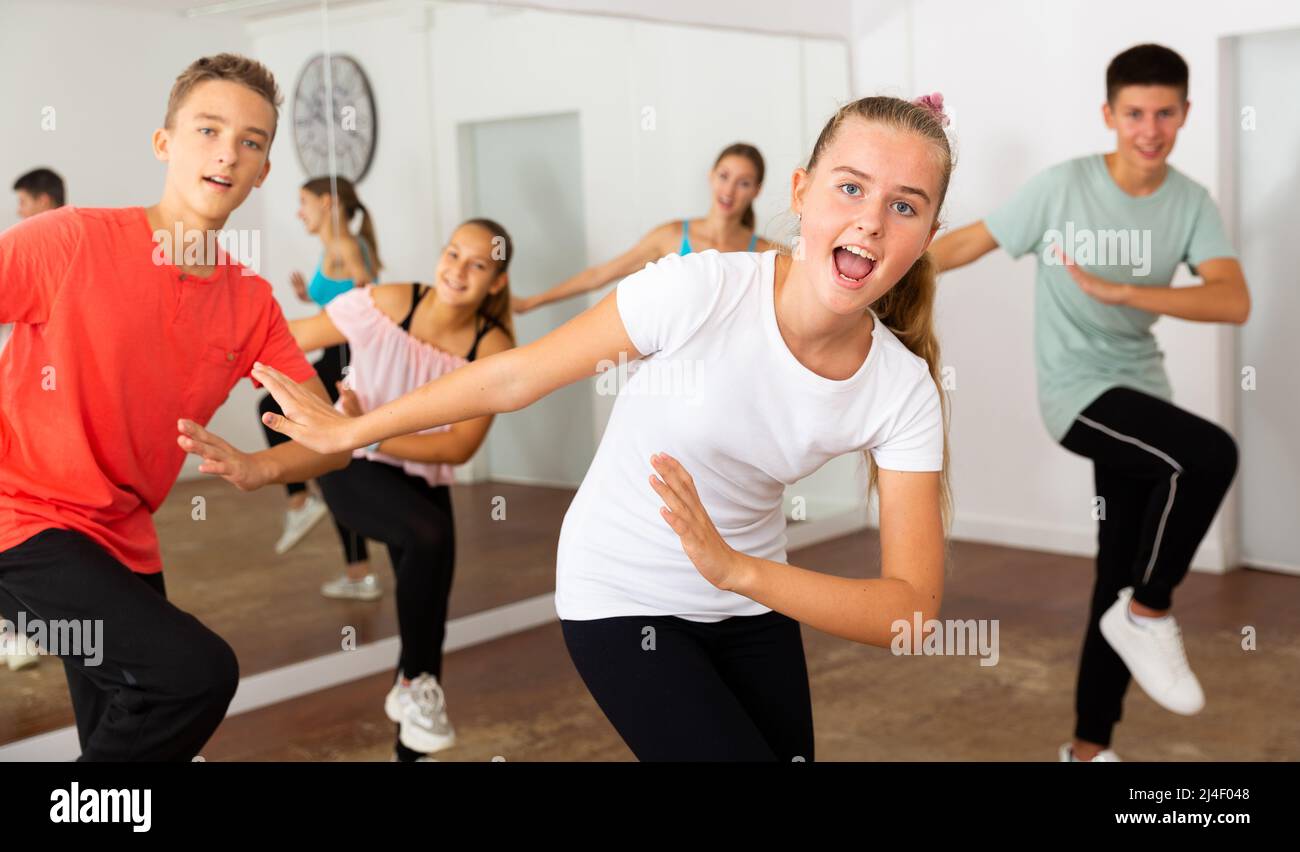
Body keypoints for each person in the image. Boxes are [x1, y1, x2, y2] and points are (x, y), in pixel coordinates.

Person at [252, 94, 954, 762]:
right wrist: (355, 432)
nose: (870, 223)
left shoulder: (900, 388)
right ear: (801, 192)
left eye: (904, 206)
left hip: (747, 596)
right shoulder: (702, 289)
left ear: (929, 235)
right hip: (622, 593)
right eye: (851, 188)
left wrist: (737, 570)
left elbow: (910, 610)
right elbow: (516, 375)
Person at [0, 53, 349, 761]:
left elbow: (334, 441)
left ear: (263, 173)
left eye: (251, 142)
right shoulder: (69, 241)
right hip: (24, 527)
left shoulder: (250, 304)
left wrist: (259, 466)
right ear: (166, 143)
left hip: (122, 538)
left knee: (127, 727)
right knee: (193, 676)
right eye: (208, 129)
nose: (228, 152)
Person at [929, 44, 1248, 762]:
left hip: (1142, 395)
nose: (1150, 127)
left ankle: (1085, 747)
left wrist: (1125, 291)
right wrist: (878, 272)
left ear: (1185, 114)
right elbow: (969, 244)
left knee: (1114, 576)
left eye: (1165, 112)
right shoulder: (1061, 188)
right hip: (1078, 395)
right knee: (1209, 455)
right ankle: (1151, 610)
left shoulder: (1191, 201)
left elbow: (1233, 299)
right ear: (1109, 114)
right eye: (1135, 112)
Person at [287, 219, 514, 760]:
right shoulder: (389, 302)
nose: (458, 270)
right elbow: (294, 339)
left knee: (428, 616)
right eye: (454, 253)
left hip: (415, 474)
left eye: (478, 264)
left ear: (496, 283)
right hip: (351, 463)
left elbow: (458, 449)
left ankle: (409, 735)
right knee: (431, 538)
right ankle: (413, 688)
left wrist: (376, 429)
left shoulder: (493, 345)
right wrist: (324, 416)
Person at [258, 176, 383, 602]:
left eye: (304, 203)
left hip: (340, 364)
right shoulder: (337, 249)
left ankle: (299, 503)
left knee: (269, 403)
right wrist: (309, 296)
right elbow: (342, 303)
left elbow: (368, 302)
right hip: (333, 359)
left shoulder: (346, 247)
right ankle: (359, 571)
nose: (299, 212)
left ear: (327, 203)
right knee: (335, 473)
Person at [513, 143, 777, 314]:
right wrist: (531, 302)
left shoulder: (766, 253)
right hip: (673, 367)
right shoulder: (671, 236)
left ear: (757, 190)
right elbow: (600, 275)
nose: (729, 190)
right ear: (711, 176)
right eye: (724, 176)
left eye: (743, 183)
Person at [1, 167, 67, 669]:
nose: (19, 210)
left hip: (38, 414)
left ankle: (26, 630)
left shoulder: (50, 247)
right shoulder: (60, 246)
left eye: (24, 201)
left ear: (43, 200)